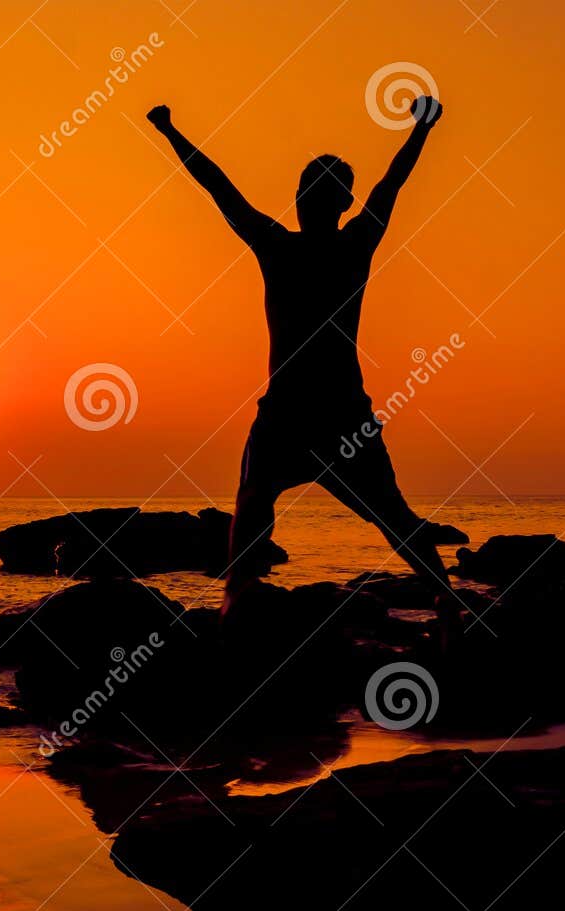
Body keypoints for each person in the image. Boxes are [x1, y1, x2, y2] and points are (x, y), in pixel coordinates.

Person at [148, 96, 468, 617]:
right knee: (257, 501)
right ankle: (237, 603)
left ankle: (449, 602)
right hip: (297, 413)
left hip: (333, 413)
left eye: (319, 191)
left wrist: (422, 132)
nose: (305, 198)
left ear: (340, 202)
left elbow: (391, 182)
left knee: (385, 514)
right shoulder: (293, 245)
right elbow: (217, 186)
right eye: (303, 189)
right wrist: (170, 133)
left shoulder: (335, 244)